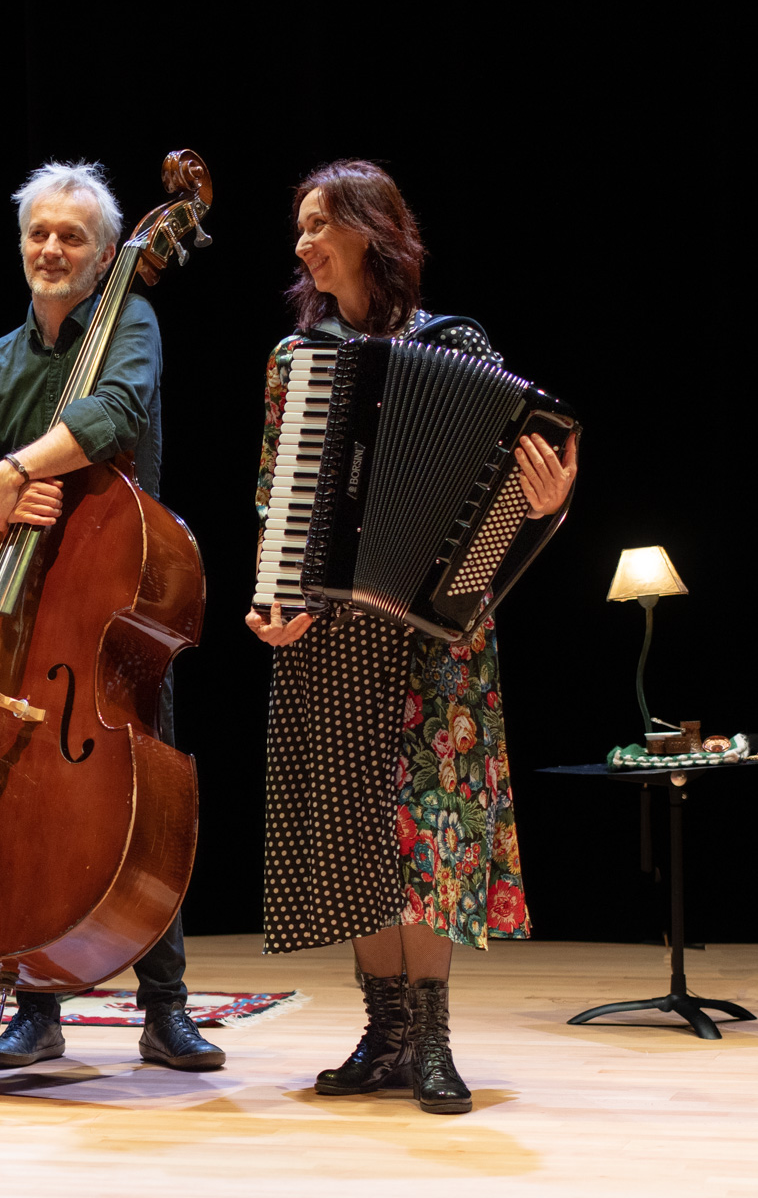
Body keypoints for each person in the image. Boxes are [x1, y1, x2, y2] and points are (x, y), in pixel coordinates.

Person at [245, 159, 578, 1114]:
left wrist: (547, 507)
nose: (303, 245)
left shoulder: (457, 342)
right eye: (300, 229)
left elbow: (502, 491)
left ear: (368, 232)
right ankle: (382, 1031)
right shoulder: (292, 361)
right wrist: (275, 598)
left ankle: (431, 1036)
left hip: (436, 631)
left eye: (318, 225)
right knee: (353, 827)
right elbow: (275, 497)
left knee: (427, 830)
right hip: (328, 630)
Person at [0, 161, 225, 1073]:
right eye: (39, 234)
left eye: (73, 238)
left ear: (105, 257)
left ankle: (165, 1002)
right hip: (13, 612)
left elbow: (113, 413)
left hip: (111, 600)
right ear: (22, 245)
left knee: (142, 800)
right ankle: (34, 1000)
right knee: (21, 796)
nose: (52, 249)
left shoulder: (130, 321)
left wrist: (18, 474)